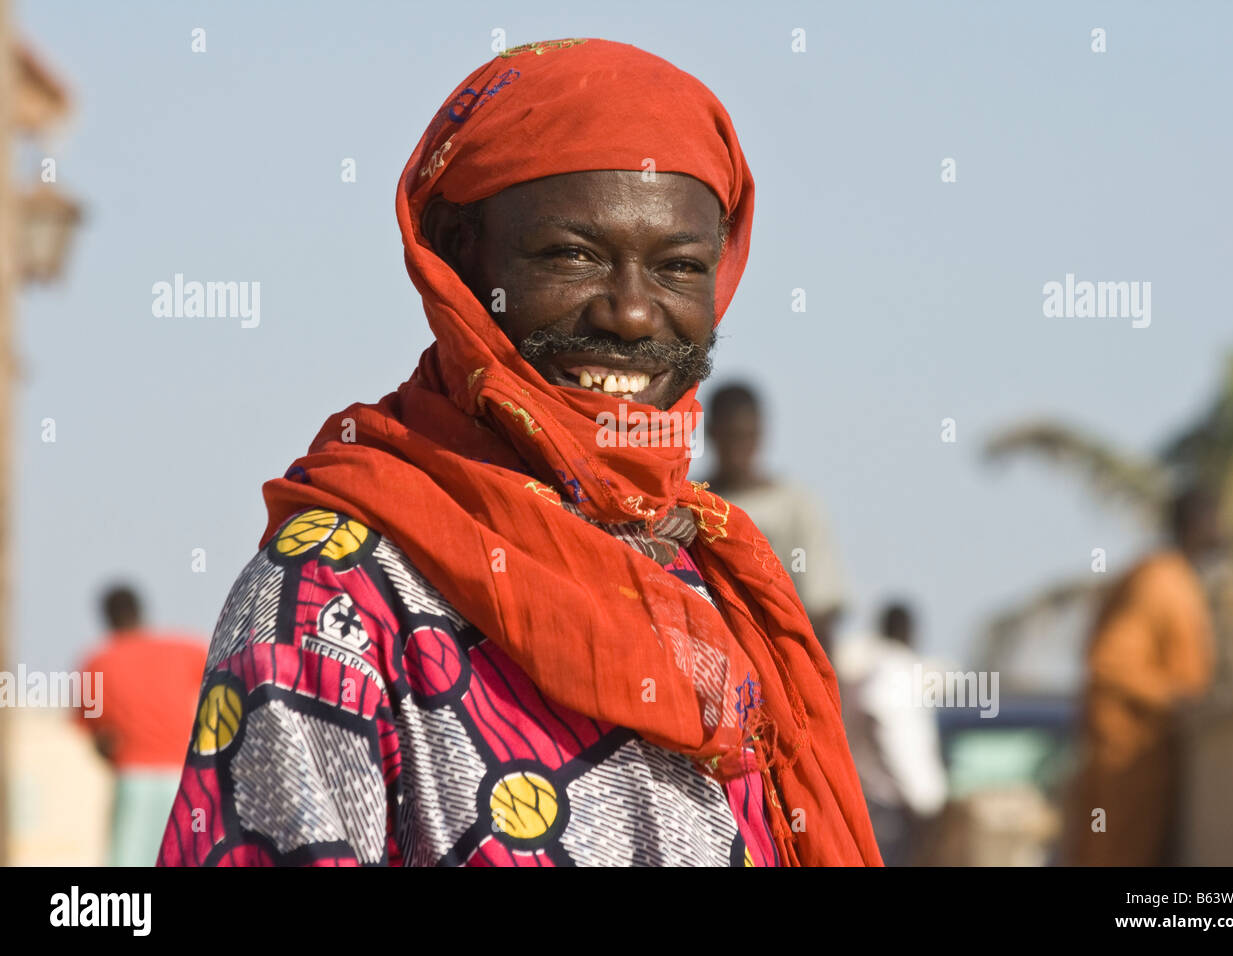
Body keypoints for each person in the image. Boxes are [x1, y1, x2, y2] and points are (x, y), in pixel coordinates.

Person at [158, 38, 882, 867]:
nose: (633, 315)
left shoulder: (718, 582)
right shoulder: (335, 595)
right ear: (461, 258)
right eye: (573, 255)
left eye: (679, 268)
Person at [1063, 486, 1219, 866]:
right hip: (1126, 757)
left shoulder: (1180, 581)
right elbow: (1108, 662)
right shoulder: (1158, 582)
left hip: (1151, 758)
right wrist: (1172, 699)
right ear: (1196, 524)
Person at [702, 383, 847, 647]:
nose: (739, 449)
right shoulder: (693, 505)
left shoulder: (795, 506)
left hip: (778, 653)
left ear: (761, 435)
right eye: (731, 436)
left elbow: (822, 603)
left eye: (747, 436)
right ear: (712, 434)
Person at [73, 584, 208, 866]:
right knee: (186, 855)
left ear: (106, 618)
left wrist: (111, 752)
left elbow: (93, 732)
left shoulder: (99, 661)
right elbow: (221, 673)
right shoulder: (181, 648)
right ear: (140, 612)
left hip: (133, 775)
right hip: (181, 773)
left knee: (128, 862)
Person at [840, 603, 947, 865]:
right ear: (908, 631)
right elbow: (884, 727)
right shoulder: (890, 669)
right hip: (890, 805)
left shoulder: (877, 667)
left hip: (888, 803)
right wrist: (915, 797)